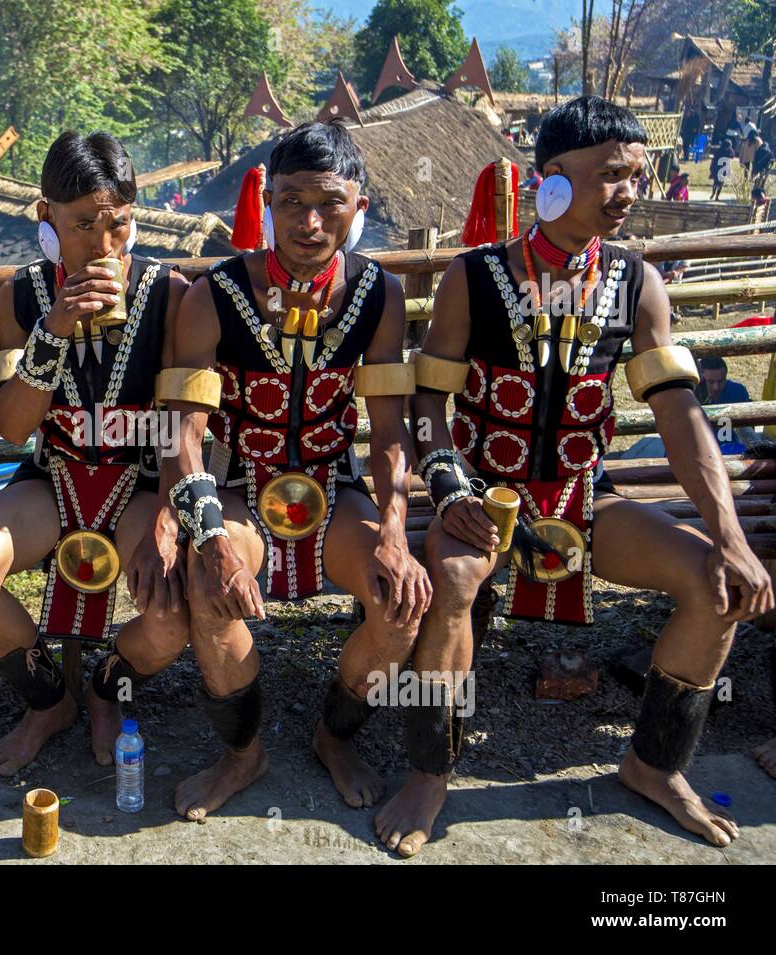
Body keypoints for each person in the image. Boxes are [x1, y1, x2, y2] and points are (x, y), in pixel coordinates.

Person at [388, 95, 773, 857]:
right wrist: (450, 487)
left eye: (636, 175)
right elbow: (427, 402)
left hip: (586, 499)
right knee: (459, 582)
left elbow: (679, 414)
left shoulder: (638, 283)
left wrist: (729, 533)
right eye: (609, 176)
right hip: (486, 502)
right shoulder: (476, 276)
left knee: (714, 584)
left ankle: (655, 763)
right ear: (552, 182)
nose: (627, 192)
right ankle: (430, 772)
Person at [159, 119, 430, 820]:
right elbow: (183, 433)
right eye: (291, 202)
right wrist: (212, 537)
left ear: (359, 205)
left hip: (334, 489)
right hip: (240, 489)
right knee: (207, 585)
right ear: (267, 201)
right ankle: (243, 753)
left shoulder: (381, 295)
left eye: (329, 202)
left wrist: (394, 532)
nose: (310, 222)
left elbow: (393, 431)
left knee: (400, 602)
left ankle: (335, 734)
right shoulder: (213, 294)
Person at [0, 131, 191, 776]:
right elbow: (16, 423)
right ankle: (48, 701)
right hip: (52, 480)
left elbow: (177, 427)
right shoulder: (20, 297)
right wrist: (53, 329)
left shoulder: (171, 294)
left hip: (136, 486)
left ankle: (108, 685)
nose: (104, 247)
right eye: (83, 226)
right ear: (45, 218)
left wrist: (166, 515)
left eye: (120, 225)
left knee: (168, 614)